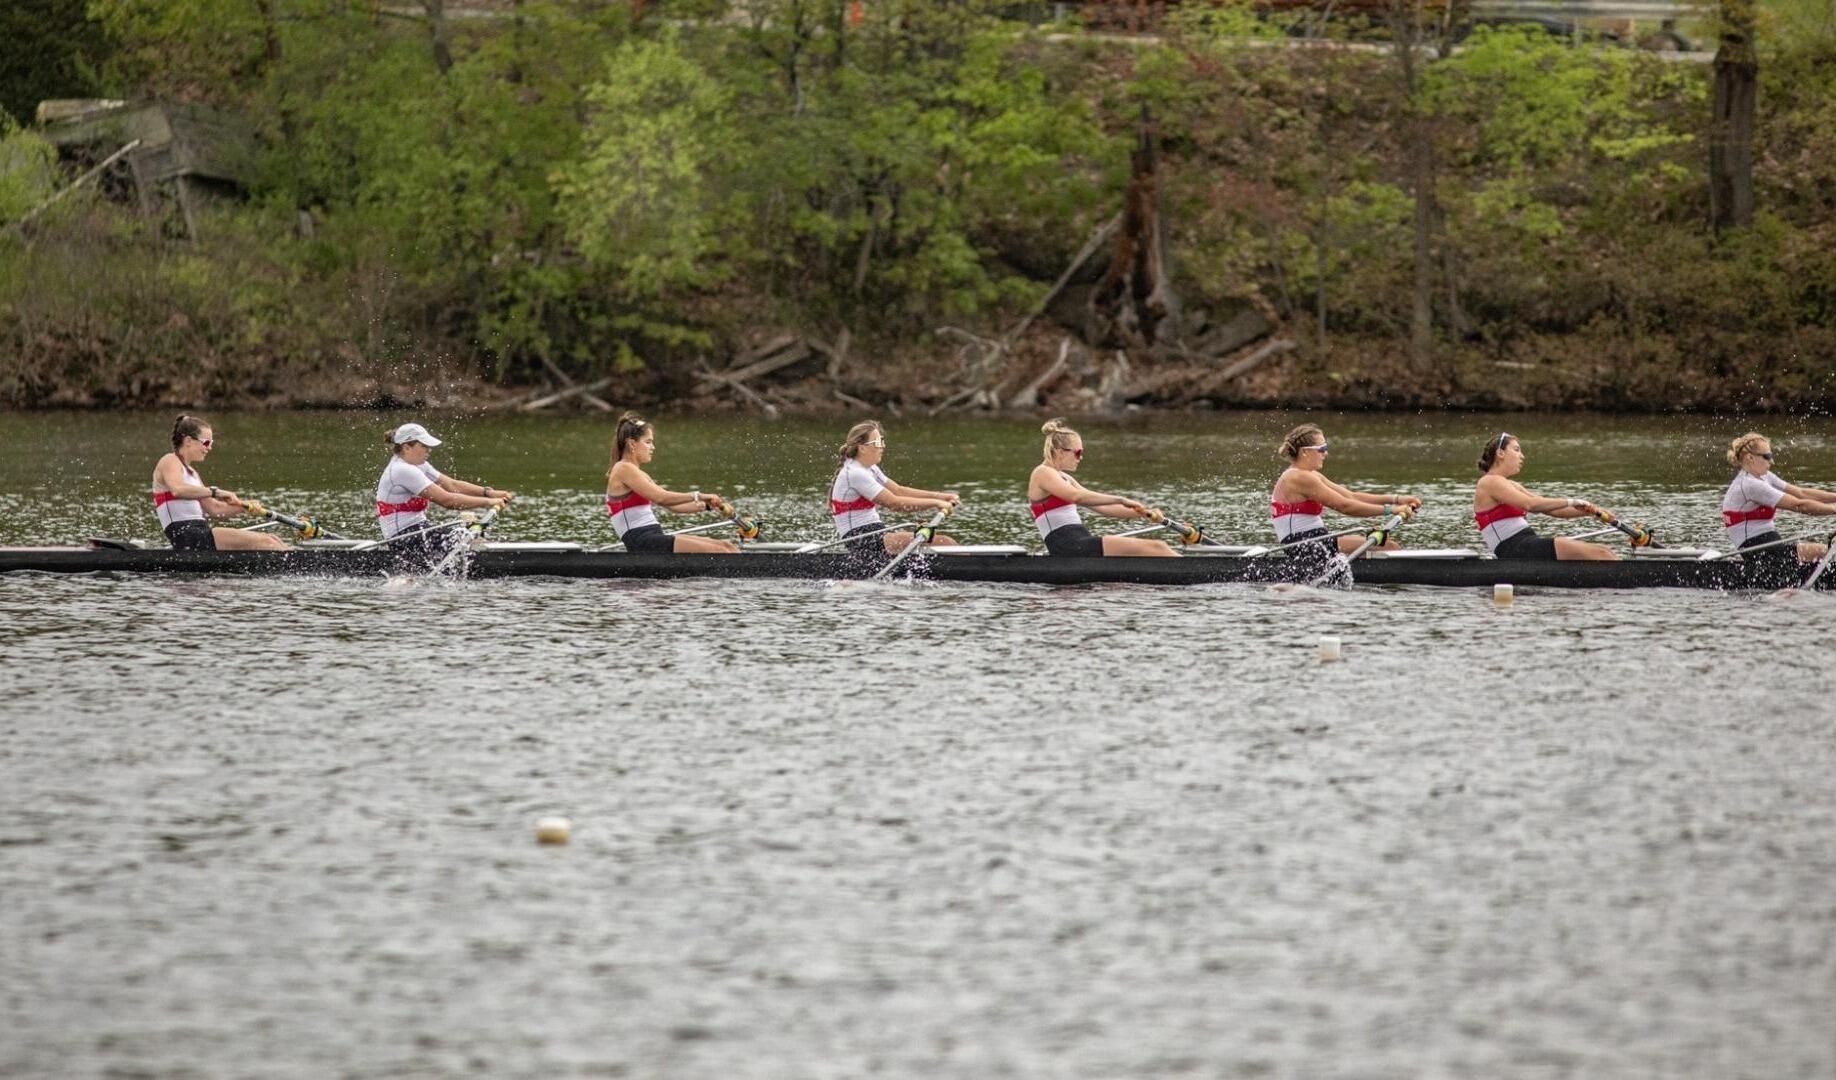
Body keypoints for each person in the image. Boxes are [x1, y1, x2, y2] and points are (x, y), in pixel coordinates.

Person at [1271, 424, 1422, 572]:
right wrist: (1392, 510)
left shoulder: (1310, 474)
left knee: (1384, 544)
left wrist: (1396, 499)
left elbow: (1351, 496)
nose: (1326, 453)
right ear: (1304, 452)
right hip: (1303, 545)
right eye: (1322, 449)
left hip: (1317, 539)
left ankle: (1364, 572)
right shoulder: (1298, 477)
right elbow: (1346, 506)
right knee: (1390, 547)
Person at [1026, 419, 1177, 557]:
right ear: (1060, 451)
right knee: (1159, 547)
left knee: (1155, 549)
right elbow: (1076, 496)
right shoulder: (1042, 473)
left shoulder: (1065, 478)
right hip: (1068, 546)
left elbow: (1104, 508)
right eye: (1078, 453)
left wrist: (1144, 513)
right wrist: (1121, 499)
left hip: (1080, 543)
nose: (1081, 458)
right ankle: (1196, 575)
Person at [830, 420, 959, 569]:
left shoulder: (870, 468)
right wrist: (936, 504)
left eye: (882, 441)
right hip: (861, 539)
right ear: (862, 448)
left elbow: (898, 490)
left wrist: (942, 497)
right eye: (878, 442)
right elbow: (895, 503)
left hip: (875, 532)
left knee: (944, 543)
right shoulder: (855, 473)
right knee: (945, 543)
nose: (883, 446)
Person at [151, 415, 287, 552]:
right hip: (186, 536)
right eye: (206, 443)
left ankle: (296, 567)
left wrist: (245, 506)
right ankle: (295, 571)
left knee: (272, 539)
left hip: (200, 533)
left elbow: (215, 508)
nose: (209, 448)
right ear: (188, 441)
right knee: (267, 543)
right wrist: (216, 492)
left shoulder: (192, 473)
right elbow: (178, 490)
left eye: (211, 443)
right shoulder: (170, 460)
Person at [606, 413, 737, 554]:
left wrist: (708, 506)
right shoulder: (623, 468)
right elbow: (661, 497)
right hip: (642, 542)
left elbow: (674, 506)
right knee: (721, 551)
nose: (653, 447)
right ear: (632, 444)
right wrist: (698, 495)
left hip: (654, 538)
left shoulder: (639, 474)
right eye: (648, 442)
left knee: (727, 546)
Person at [1473, 432, 1616, 560]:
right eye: (1516, 450)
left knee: (1604, 551)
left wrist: (1593, 511)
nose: (1522, 456)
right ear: (1501, 453)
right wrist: (1572, 501)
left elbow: (1555, 510)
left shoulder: (1512, 485)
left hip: (1527, 543)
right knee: (1602, 555)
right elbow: (1531, 505)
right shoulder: (1489, 481)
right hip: (1513, 549)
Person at [376, 422, 510, 557]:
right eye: (424, 446)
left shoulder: (419, 465)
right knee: (465, 536)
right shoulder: (402, 470)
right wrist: (488, 503)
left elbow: (452, 485)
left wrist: (489, 493)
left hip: (418, 530)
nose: (429, 450)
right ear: (406, 447)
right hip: (403, 538)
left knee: (468, 533)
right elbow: (447, 500)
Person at [1721, 432, 1836, 574]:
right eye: (1767, 456)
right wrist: (1833, 510)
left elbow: (1801, 493)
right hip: (1757, 549)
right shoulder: (1750, 485)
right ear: (1750, 458)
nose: (1771, 461)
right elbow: (1799, 505)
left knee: (1823, 551)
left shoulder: (1764, 476)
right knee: (1821, 551)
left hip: (1769, 543)